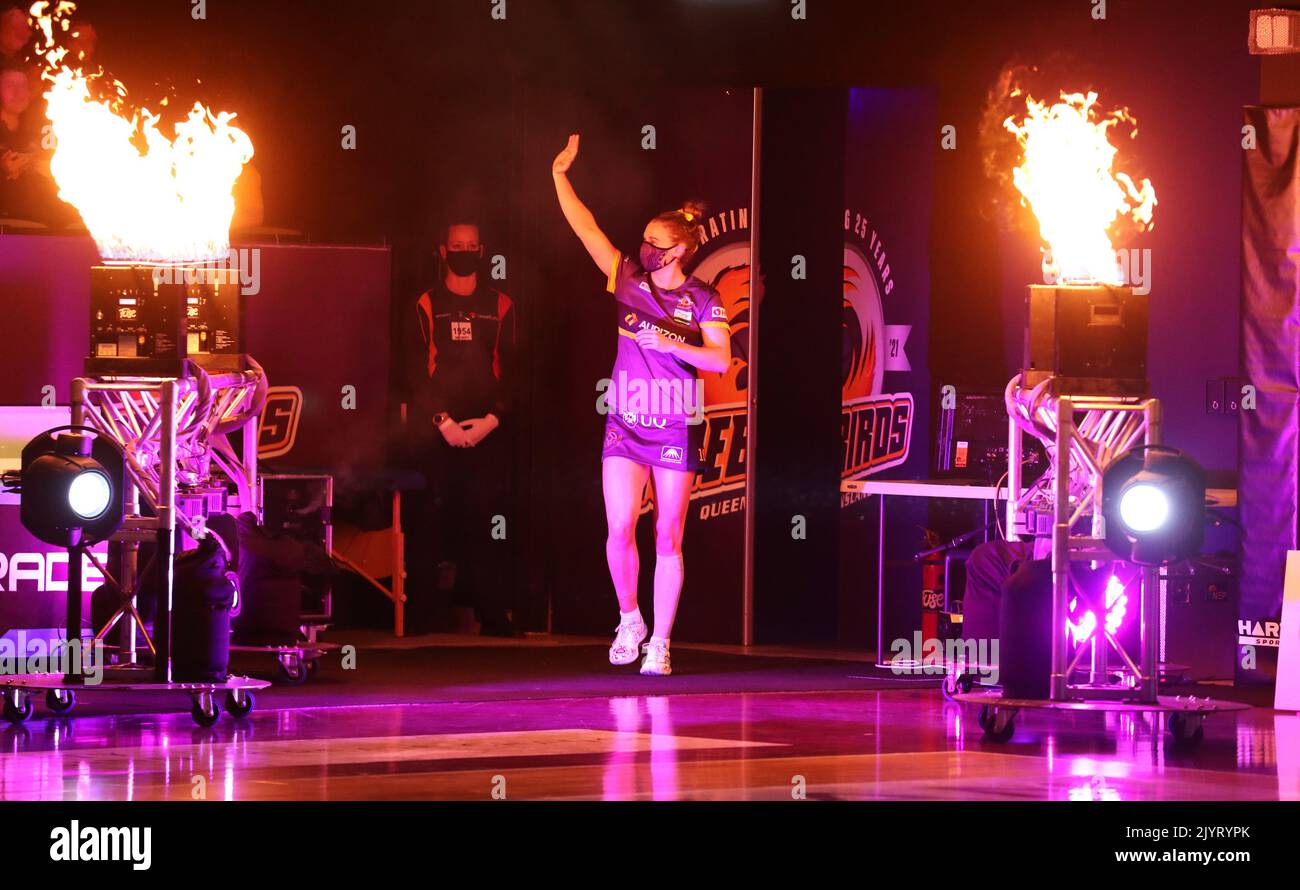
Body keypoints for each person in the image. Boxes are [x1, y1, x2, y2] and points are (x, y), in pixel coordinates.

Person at [551, 133, 731, 676]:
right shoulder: (627, 280)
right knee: (620, 528)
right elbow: (587, 229)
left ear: (679, 250)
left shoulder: (704, 298)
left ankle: (662, 642)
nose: (646, 247)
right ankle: (630, 618)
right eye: (645, 239)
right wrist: (560, 176)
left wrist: (672, 342)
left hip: (674, 426)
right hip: (625, 423)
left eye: (657, 242)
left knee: (668, 534)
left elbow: (720, 361)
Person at [403, 218, 518, 636]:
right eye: (457, 245)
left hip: (486, 429)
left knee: (488, 522)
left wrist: (491, 420)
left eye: (472, 245)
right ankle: (423, 617)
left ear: (482, 251)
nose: (464, 251)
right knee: (429, 522)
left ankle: (493, 615)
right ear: (443, 250)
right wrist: (444, 422)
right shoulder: (426, 303)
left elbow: (516, 372)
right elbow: (413, 372)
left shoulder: (501, 304)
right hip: (437, 431)